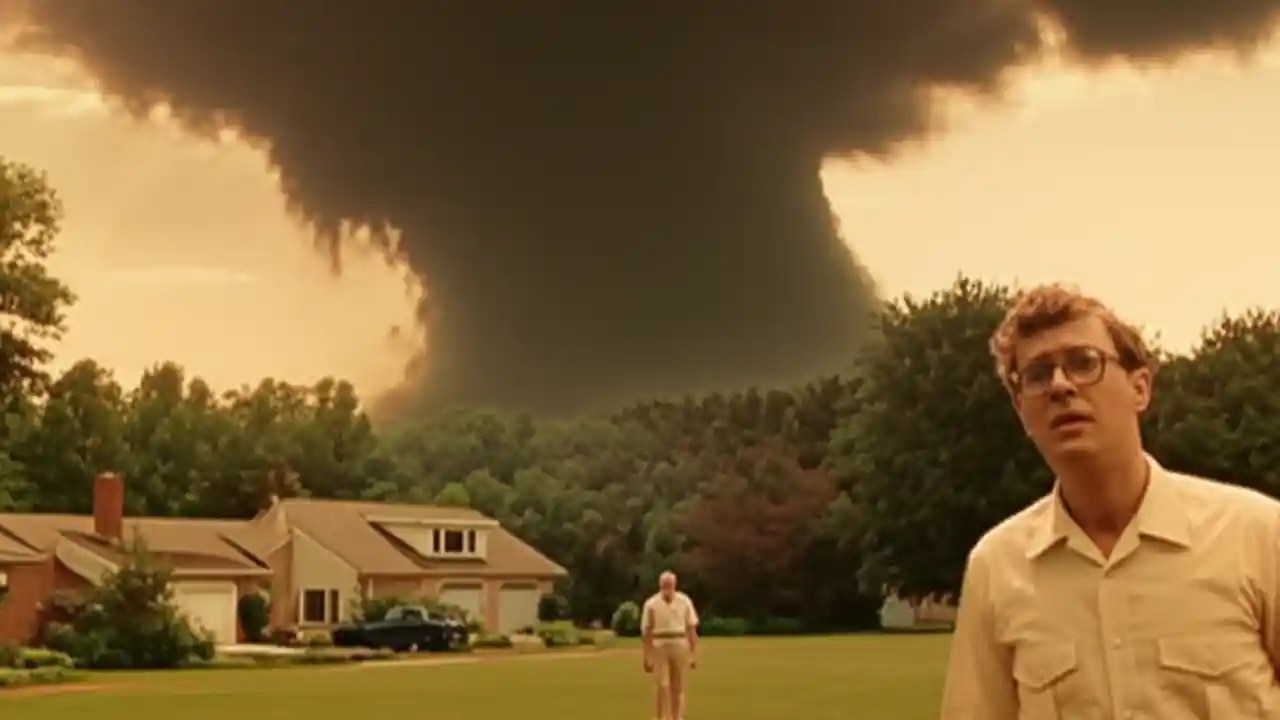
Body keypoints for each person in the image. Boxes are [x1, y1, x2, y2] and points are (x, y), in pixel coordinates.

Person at [939, 283, 1280, 718]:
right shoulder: (998, 567)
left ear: (1140, 388)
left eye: (1084, 363)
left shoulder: (1257, 534)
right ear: (1021, 409)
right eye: (1038, 374)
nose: (1060, 386)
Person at [642, 571, 699, 720]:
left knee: (678, 685)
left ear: (675, 584)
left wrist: (693, 654)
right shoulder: (651, 604)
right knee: (662, 684)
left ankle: (676, 717)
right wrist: (647, 656)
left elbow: (691, 628)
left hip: (679, 642)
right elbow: (647, 631)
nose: (667, 587)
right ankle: (660, 717)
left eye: (670, 584)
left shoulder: (684, 601)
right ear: (660, 585)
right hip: (659, 644)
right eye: (664, 584)